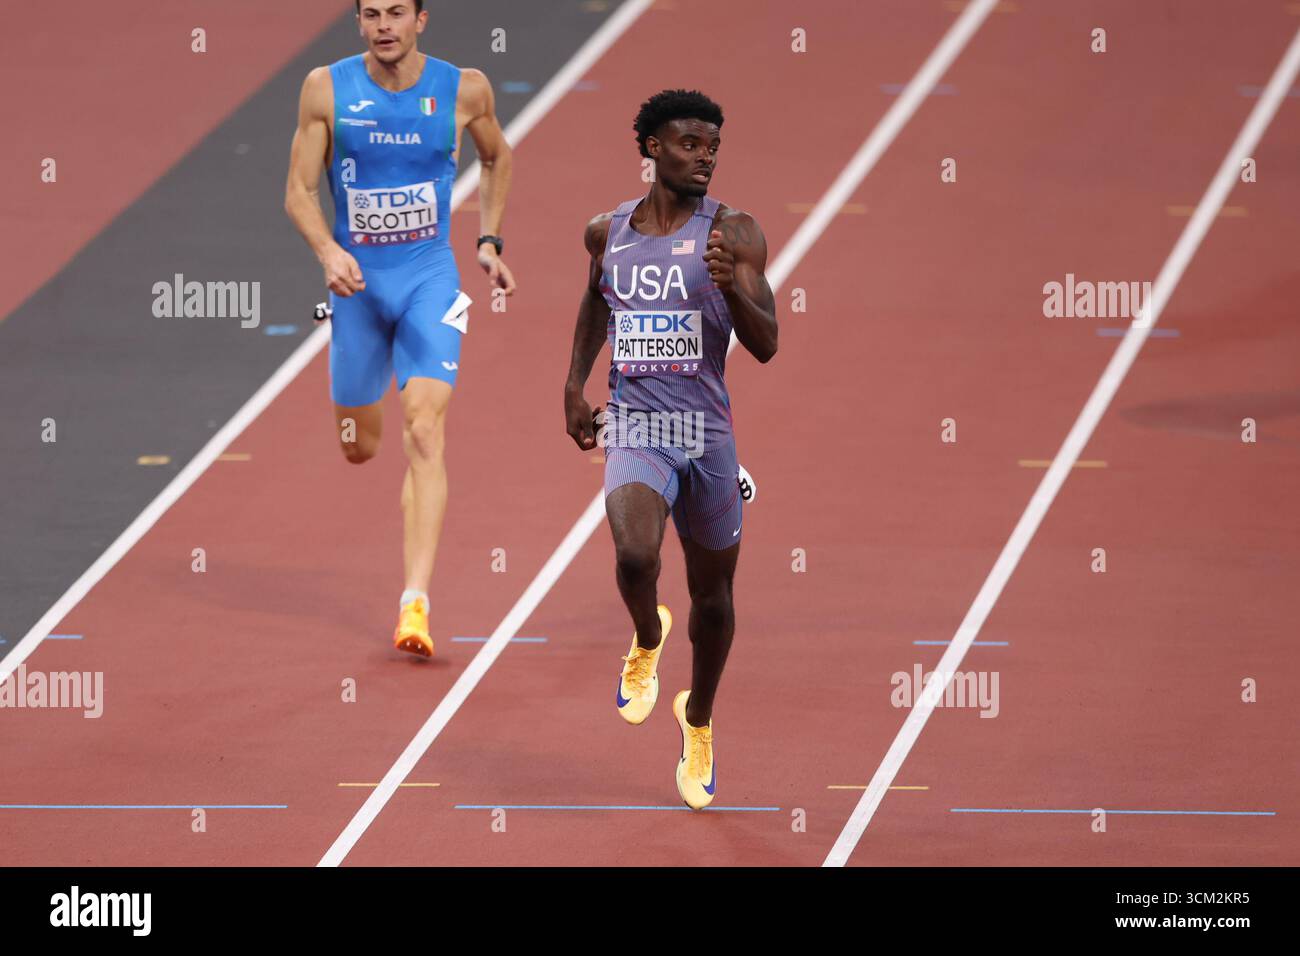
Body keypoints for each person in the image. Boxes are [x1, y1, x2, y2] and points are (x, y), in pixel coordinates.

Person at [563, 90, 777, 808]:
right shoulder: (608, 231)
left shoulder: (735, 233)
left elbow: (768, 345)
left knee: (712, 600)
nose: (704, 157)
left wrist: (732, 290)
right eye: (688, 144)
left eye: (712, 146)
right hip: (636, 425)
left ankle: (700, 717)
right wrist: (573, 383)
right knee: (634, 556)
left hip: (707, 434)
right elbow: (597, 298)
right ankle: (646, 637)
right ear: (651, 148)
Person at [285, 0, 515, 657]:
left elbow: (498, 158)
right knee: (359, 447)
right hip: (356, 289)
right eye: (370, 15)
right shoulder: (325, 89)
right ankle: (388, 454)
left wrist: (490, 239)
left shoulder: (463, 88)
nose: (383, 26)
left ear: (422, 18)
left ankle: (415, 600)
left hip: (429, 281)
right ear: (358, 22)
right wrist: (330, 254)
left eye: (395, 13)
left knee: (424, 424)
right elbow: (298, 190)